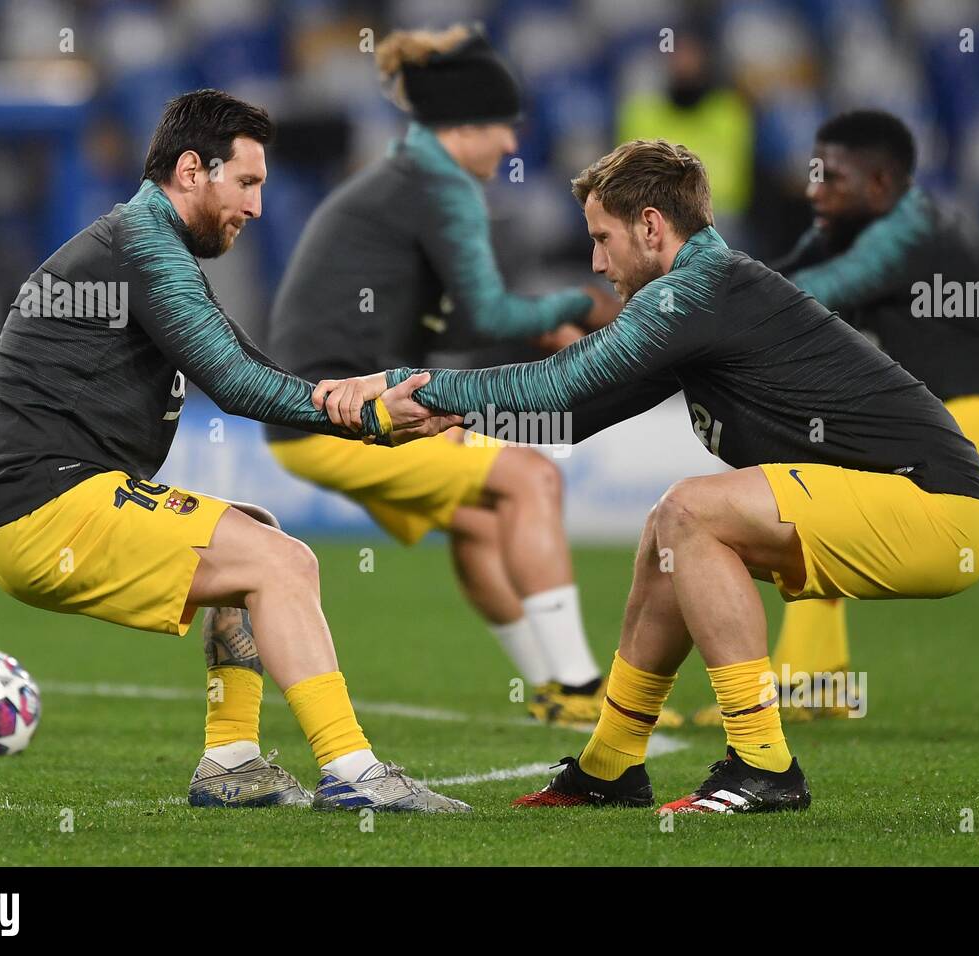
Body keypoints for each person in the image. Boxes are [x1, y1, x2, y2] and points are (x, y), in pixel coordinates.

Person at [309, 139, 979, 813]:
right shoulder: (700, 294)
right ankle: (611, 766)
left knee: (690, 513)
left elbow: (560, 383)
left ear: (650, 226)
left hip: (938, 506)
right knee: (668, 540)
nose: (594, 259)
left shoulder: (697, 291)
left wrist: (409, 384)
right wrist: (443, 420)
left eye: (602, 237)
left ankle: (764, 766)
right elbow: (574, 416)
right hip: (913, 501)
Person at [0, 88, 468, 813]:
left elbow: (240, 360)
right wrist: (370, 420)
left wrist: (361, 406)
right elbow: (236, 382)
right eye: (249, 182)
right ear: (193, 170)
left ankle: (232, 763)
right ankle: (356, 773)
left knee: (254, 535)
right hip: (48, 508)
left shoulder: (142, 243)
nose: (258, 206)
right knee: (284, 563)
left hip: (40, 505)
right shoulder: (144, 246)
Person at [266, 25, 681, 727]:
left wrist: (536, 323)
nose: (513, 146)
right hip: (351, 412)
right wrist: (574, 304)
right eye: (503, 128)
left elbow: (438, 325)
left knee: (479, 521)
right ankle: (582, 689)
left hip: (316, 411)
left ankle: (553, 691)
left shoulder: (402, 179)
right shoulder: (440, 186)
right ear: (465, 127)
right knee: (531, 477)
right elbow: (486, 312)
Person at [692, 109, 979, 724]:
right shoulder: (851, 225)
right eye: (813, 174)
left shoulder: (901, 235)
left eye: (831, 178)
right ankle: (818, 683)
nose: (815, 190)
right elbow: (769, 286)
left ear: (880, 185)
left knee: (826, 490)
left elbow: (798, 302)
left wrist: (677, 319)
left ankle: (809, 683)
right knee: (827, 489)